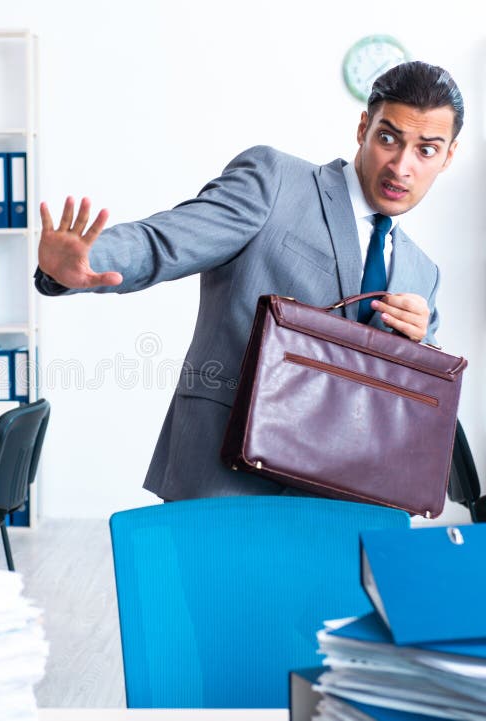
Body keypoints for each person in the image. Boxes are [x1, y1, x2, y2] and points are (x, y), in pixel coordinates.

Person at [35, 61, 464, 502]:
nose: (401, 166)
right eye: (388, 138)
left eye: (426, 150)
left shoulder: (423, 272)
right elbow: (168, 239)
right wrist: (85, 261)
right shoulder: (276, 181)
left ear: (448, 157)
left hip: (350, 501)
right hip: (230, 480)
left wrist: (421, 342)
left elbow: (415, 401)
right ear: (363, 128)